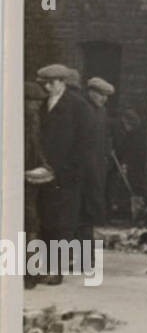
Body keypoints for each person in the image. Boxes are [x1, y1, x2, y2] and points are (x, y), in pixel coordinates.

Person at [35, 64, 98, 283]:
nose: (47, 87)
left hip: (67, 177)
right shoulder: (46, 105)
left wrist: (68, 171)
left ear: (62, 82)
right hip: (47, 174)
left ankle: (56, 270)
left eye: (51, 83)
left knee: (63, 223)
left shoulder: (79, 108)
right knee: (46, 221)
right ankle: (44, 267)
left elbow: (85, 145)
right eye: (44, 83)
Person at [24, 81, 51, 289]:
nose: (36, 107)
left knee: (32, 223)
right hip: (21, 180)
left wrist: (43, 165)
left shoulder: (34, 121)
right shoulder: (25, 122)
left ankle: (30, 272)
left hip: (29, 180)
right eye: (33, 102)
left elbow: (38, 148)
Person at [82, 77, 114, 236]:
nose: (104, 99)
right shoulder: (83, 108)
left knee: (96, 191)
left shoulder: (102, 111)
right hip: (85, 161)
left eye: (107, 96)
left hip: (98, 160)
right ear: (91, 93)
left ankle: (94, 223)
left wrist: (107, 151)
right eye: (101, 95)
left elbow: (105, 134)